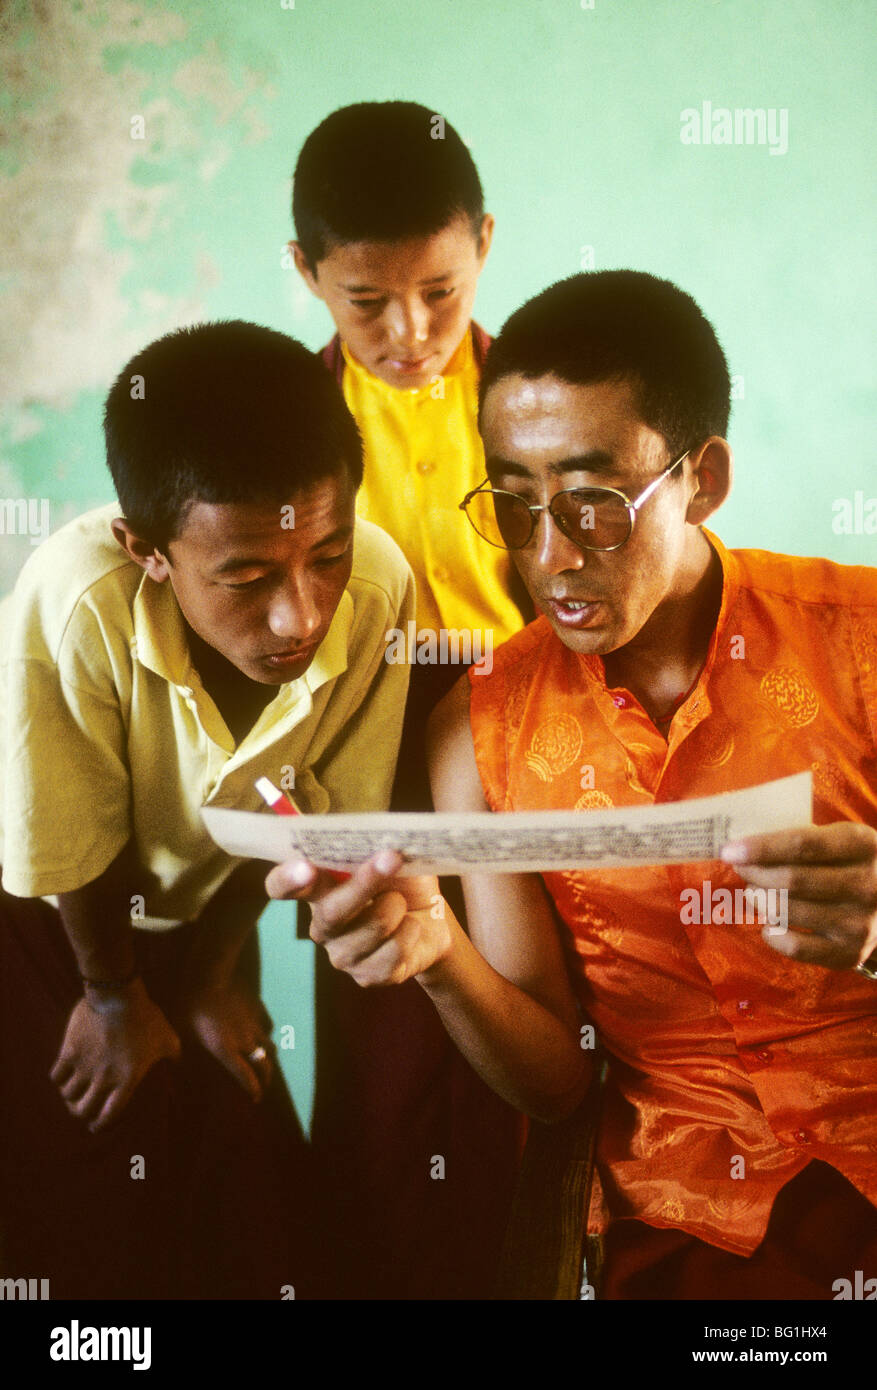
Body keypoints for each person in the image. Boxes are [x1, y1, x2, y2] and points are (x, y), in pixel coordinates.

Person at [268, 270, 877, 1300]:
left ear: (705, 478)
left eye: (593, 504)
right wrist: (437, 952)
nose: (549, 558)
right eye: (513, 501)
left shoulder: (855, 637)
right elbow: (554, 1082)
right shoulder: (480, 727)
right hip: (686, 1219)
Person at [0, 320, 413, 1299]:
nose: (300, 618)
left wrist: (217, 975)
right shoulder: (76, 596)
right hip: (51, 921)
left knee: (249, 1183)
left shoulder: (381, 587)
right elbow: (62, 839)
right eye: (246, 577)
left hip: (206, 920)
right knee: (94, 1188)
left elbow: (306, 820)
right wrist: (113, 999)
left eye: (325, 555)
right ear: (145, 550)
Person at [287, 101, 528, 1298]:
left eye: (440, 290)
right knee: (383, 1065)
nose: (410, 332)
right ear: (307, 277)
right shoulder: (285, 419)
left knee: (536, 1037)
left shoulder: (532, 392)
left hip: (531, 736)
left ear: (483, 241)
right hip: (363, 751)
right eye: (365, 302)